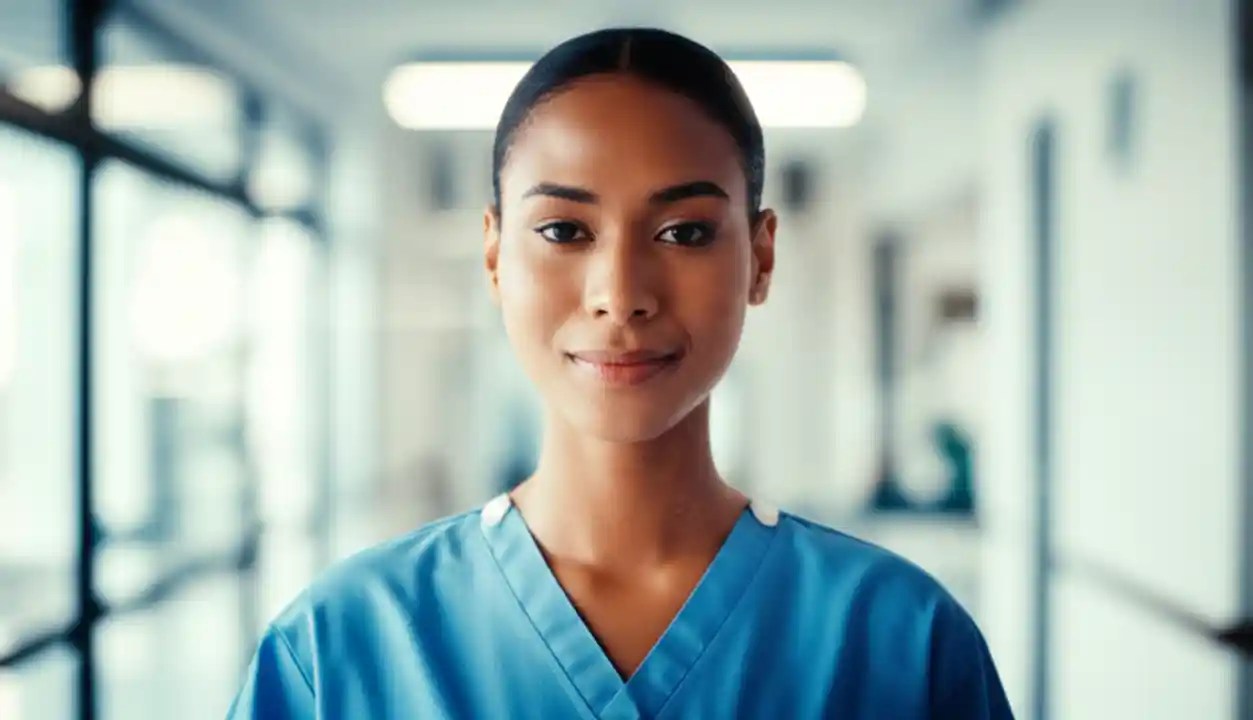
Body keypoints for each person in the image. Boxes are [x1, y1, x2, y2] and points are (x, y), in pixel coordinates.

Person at [228, 28, 1013, 719]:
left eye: (683, 231)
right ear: (497, 257)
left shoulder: (904, 644)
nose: (622, 294)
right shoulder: (340, 649)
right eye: (565, 229)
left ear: (760, 257)